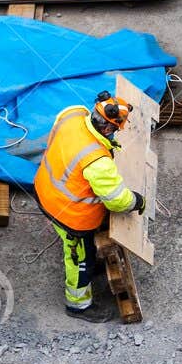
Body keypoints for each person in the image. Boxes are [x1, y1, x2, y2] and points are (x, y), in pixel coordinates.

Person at [33, 91, 146, 321]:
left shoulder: (73, 115)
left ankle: (88, 269)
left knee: (85, 253)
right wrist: (137, 201)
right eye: (115, 130)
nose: (114, 134)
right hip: (70, 216)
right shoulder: (97, 160)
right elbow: (116, 200)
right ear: (107, 128)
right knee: (78, 259)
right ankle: (78, 305)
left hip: (45, 187)